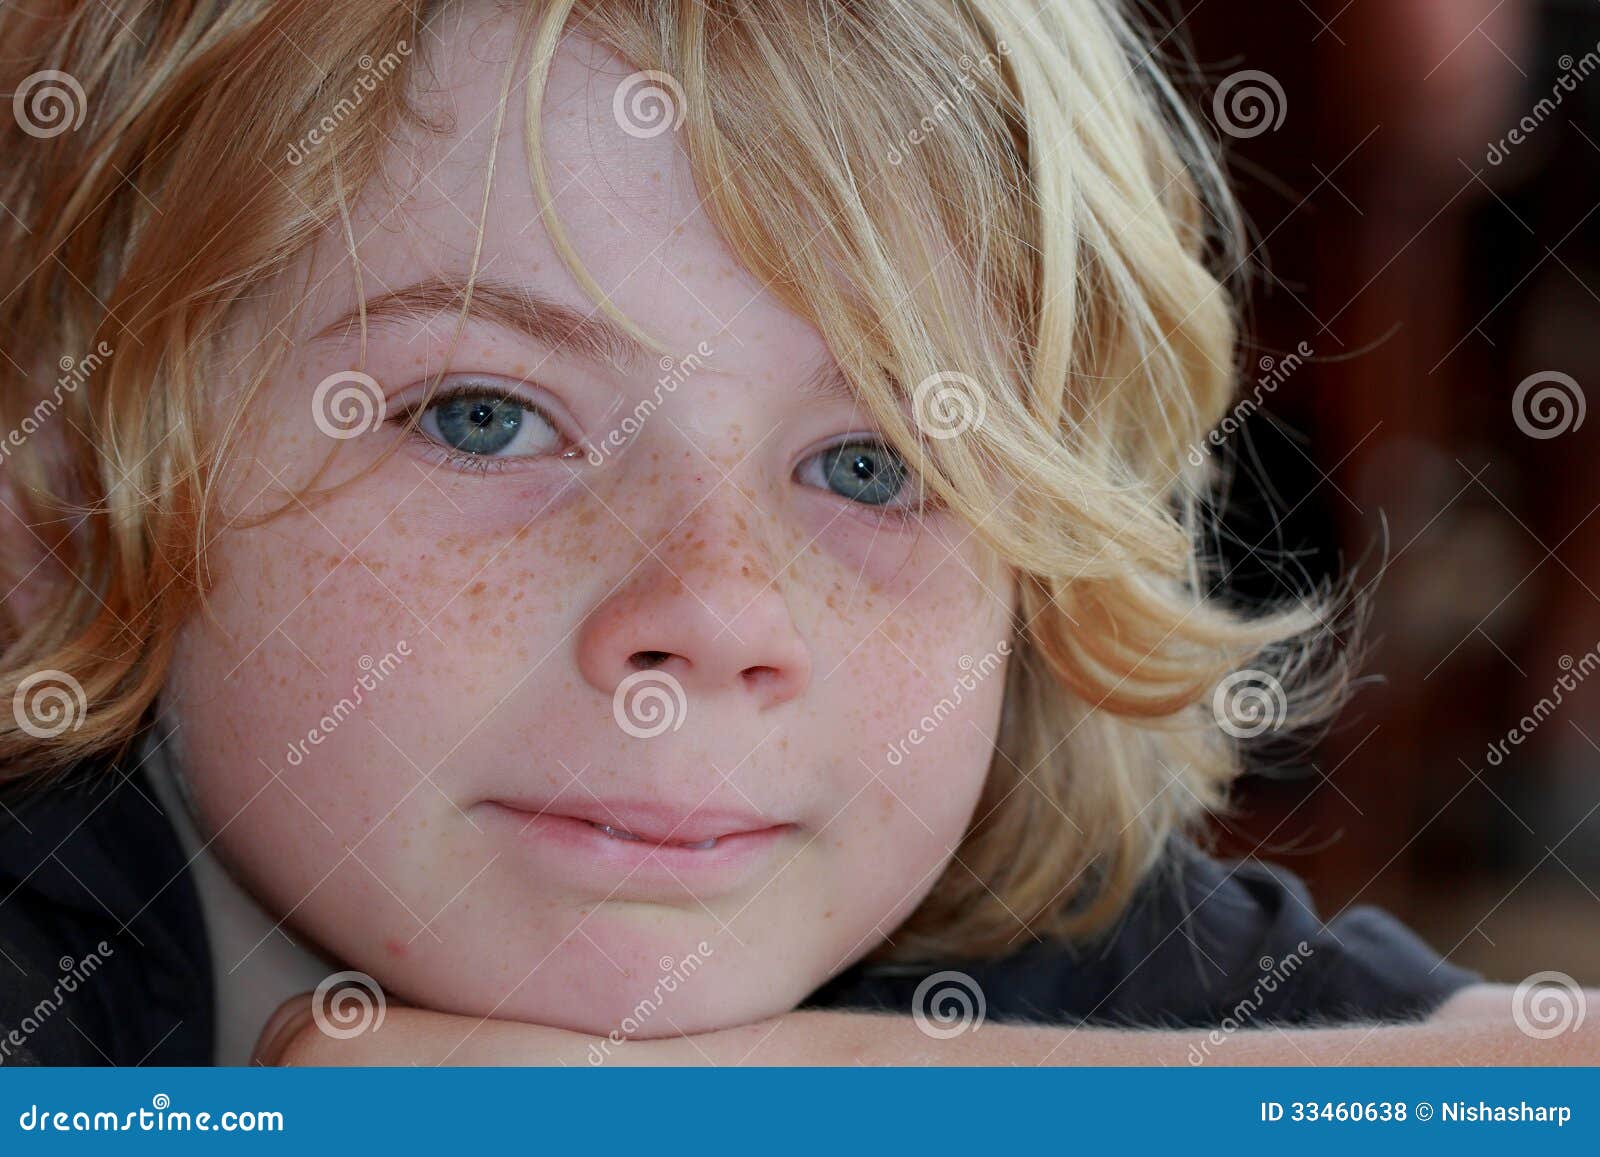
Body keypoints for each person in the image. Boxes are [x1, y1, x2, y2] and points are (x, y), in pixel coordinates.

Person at [0, 0, 1587, 1066]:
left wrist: (839, 1087)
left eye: (874, 462)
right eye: (483, 414)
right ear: (65, 485)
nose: (717, 608)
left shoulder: (1018, 947)